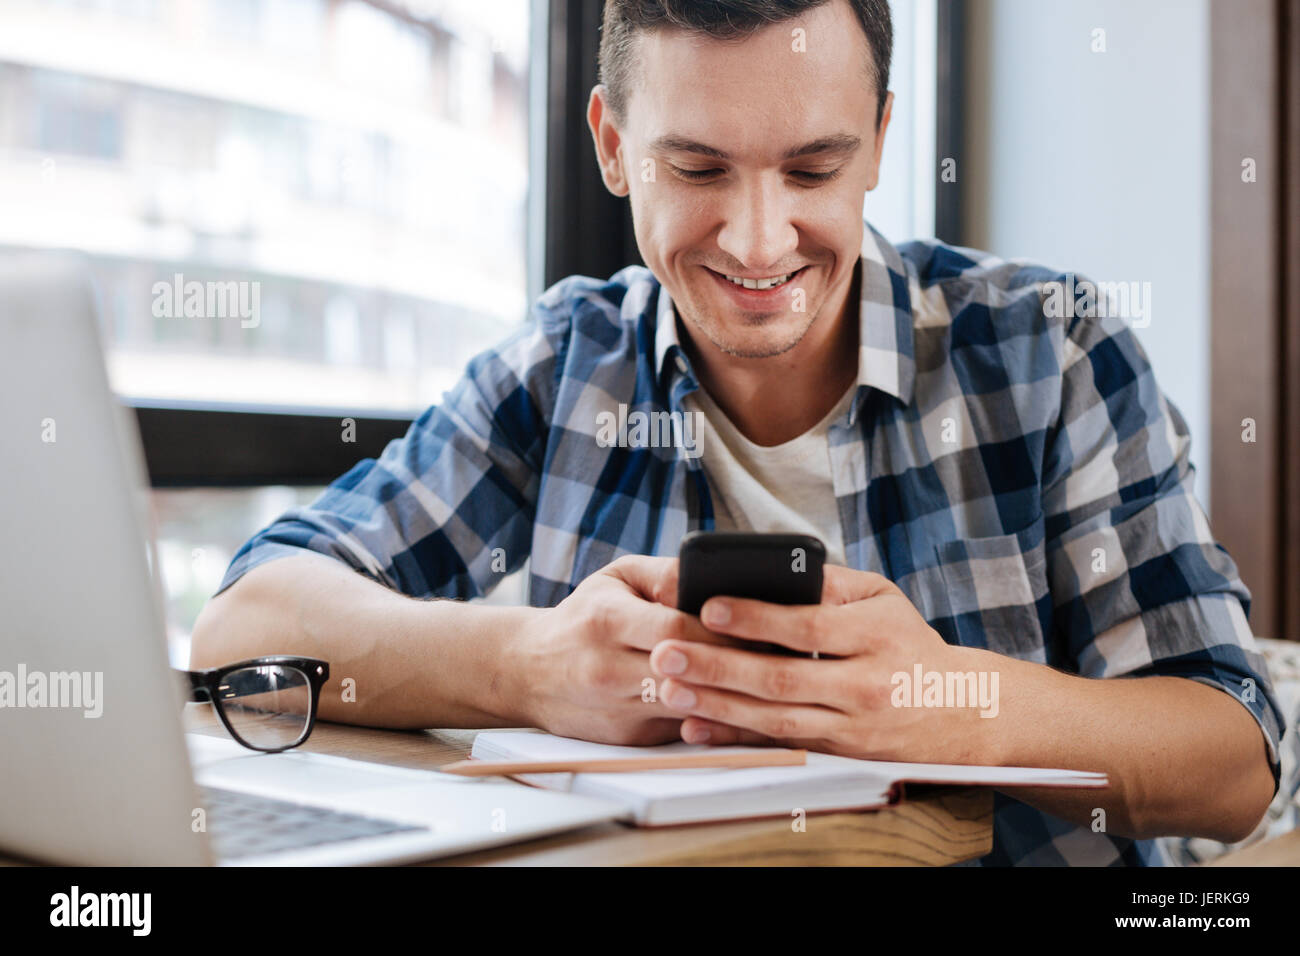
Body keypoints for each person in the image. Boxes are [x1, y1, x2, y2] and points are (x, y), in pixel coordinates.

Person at [191, 0, 1283, 865]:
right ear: (613, 147)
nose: (759, 243)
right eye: (698, 168)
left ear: (878, 144)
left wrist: (951, 701)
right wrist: (528, 662)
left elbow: (1234, 754)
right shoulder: (567, 365)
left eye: (812, 168)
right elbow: (244, 630)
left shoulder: (1053, 351)